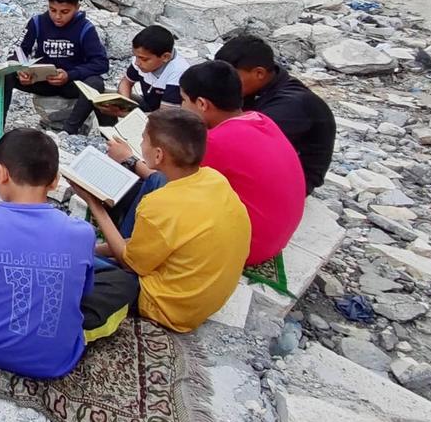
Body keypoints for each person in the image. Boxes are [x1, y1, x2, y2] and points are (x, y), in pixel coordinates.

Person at [0, 128, 101, 379]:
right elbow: (82, 293)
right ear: (55, 181)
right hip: (59, 359)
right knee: (119, 282)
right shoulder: (83, 233)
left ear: (1, 173)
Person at [73, 109, 251, 334]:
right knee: (156, 180)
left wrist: (94, 204)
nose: (140, 143)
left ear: (158, 155)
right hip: (207, 294)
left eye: (143, 139)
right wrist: (100, 249)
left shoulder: (158, 206)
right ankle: (102, 248)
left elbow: (130, 263)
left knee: (79, 260)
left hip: (169, 306)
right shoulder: (214, 178)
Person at [179, 61, 305, 265]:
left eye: (184, 100)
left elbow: (177, 186)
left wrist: (131, 161)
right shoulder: (260, 119)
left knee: (158, 199)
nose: (182, 106)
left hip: (248, 246)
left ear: (202, 104)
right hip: (277, 236)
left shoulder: (216, 141)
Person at [215, 35, 337, 194]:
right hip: (267, 165)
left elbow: (245, 146)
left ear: (259, 73)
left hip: (294, 182)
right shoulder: (261, 86)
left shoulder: (290, 105)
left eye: (231, 77)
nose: (224, 84)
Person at [1, 0, 111, 134]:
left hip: (71, 83)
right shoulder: (37, 22)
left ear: (77, 8)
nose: (57, 16)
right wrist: (21, 70)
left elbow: (101, 63)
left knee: (96, 83)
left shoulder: (85, 28)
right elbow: (17, 51)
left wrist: (70, 75)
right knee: (6, 74)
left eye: (65, 12)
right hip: (42, 80)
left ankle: (68, 131)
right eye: (52, 10)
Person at [106, 25, 190, 116]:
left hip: (169, 119)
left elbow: (165, 115)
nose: (137, 63)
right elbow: (126, 82)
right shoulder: (141, 60)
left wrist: (125, 114)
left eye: (144, 59)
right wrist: (124, 103)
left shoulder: (179, 72)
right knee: (107, 101)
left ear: (165, 57)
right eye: (136, 56)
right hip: (149, 105)